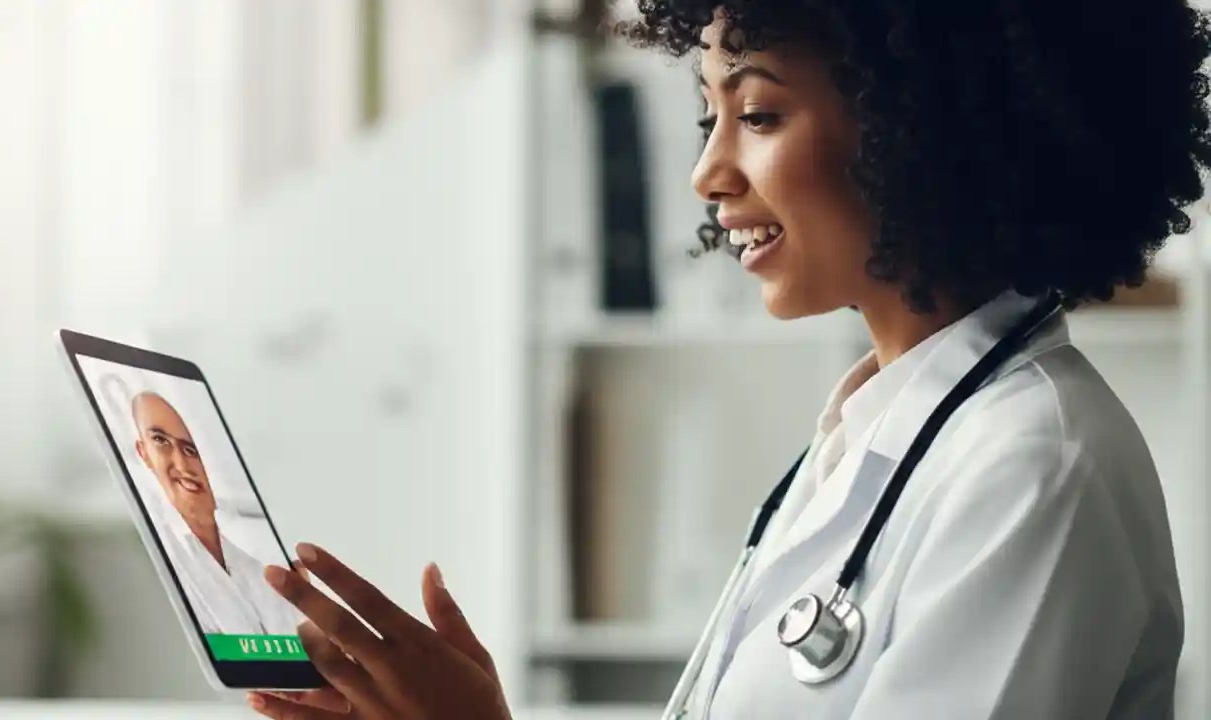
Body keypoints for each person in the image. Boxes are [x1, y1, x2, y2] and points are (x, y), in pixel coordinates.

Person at [248, 1, 1211, 718]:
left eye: (756, 116)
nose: (708, 173)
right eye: (710, 114)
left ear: (929, 128)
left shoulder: (1034, 464)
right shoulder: (872, 440)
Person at [132, 391, 299, 636]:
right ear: (143, 452)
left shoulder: (256, 566)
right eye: (160, 440)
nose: (181, 464)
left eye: (191, 450)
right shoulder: (163, 562)